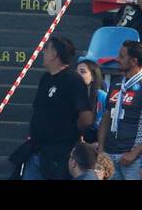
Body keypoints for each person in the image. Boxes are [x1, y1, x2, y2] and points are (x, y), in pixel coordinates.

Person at [25, 35, 93, 180]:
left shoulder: (73, 80)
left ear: (54, 54)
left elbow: (86, 118)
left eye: (46, 49)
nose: (43, 52)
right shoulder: (45, 78)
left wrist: (70, 134)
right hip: (37, 150)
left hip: (60, 153)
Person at [98, 41, 142, 180]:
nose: (117, 59)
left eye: (121, 56)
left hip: (132, 158)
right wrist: (101, 148)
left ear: (133, 61)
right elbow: (107, 116)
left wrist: (135, 153)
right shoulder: (116, 83)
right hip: (109, 154)